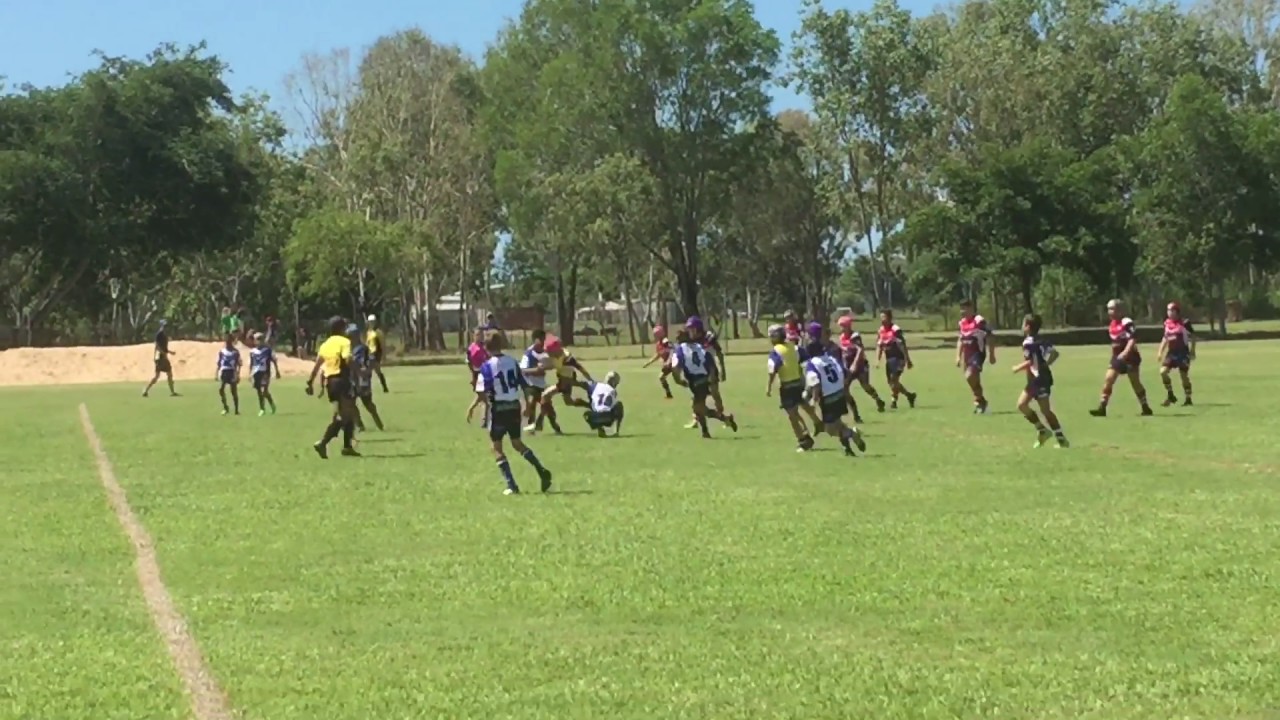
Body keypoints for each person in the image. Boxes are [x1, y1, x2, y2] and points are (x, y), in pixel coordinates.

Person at [479, 331, 553, 495]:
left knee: (496, 447)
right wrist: (527, 405)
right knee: (517, 443)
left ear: (486, 348)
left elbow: (484, 391)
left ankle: (511, 485)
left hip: (498, 409)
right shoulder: (513, 362)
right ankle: (541, 471)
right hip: (514, 406)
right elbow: (524, 385)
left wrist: (485, 411)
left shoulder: (486, 367)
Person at [306, 316, 360, 459]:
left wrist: (310, 382)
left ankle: (347, 447)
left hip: (330, 383)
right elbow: (347, 358)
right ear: (342, 328)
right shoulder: (344, 342)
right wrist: (356, 370)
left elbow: (317, 365)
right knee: (345, 415)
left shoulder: (325, 345)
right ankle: (323, 442)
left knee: (345, 415)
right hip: (342, 379)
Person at [1011, 313, 1068, 448]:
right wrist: (1046, 364)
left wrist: (1017, 368)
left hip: (1039, 380)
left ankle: (1057, 437)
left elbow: (1030, 361)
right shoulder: (1040, 340)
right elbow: (1054, 353)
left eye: (1023, 324)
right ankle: (1046, 432)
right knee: (1025, 406)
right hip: (1039, 379)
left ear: (1028, 326)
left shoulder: (1028, 342)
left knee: (1039, 409)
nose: (1022, 326)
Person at [1090, 299, 1153, 417]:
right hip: (1117, 357)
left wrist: (1125, 352)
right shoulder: (1112, 324)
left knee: (1135, 382)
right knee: (1109, 379)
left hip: (1130, 357)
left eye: (1112, 308)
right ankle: (1102, 408)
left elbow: (1133, 339)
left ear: (1119, 310)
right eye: (1108, 309)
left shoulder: (1126, 322)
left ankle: (1145, 407)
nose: (1109, 311)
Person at [669, 329, 737, 438]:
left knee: (698, 408)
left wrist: (678, 381)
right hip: (704, 378)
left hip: (695, 381)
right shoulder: (698, 346)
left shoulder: (680, 350)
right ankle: (725, 419)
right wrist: (711, 377)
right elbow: (709, 360)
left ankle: (707, 431)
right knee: (699, 408)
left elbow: (675, 368)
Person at [803, 342, 866, 457]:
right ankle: (847, 449)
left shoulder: (812, 364)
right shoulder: (830, 358)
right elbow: (843, 372)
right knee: (838, 423)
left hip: (828, 398)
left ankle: (852, 434)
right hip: (839, 393)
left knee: (830, 429)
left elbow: (815, 383)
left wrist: (813, 400)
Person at [765, 324, 815, 452]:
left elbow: (772, 370)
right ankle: (814, 426)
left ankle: (804, 440)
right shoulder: (795, 347)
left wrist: (769, 387)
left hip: (787, 387)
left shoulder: (775, 352)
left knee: (792, 416)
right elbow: (805, 361)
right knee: (798, 411)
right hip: (799, 383)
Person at [684, 316, 727, 429]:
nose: (690, 331)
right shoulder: (690, 341)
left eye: (692, 328)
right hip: (698, 373)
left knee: (715, 395)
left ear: (698, 328)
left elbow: (719, 354)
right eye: (689, 329)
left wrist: (723, 369)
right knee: (695, 398)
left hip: (711, 371)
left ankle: (723, 417)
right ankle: (696, 419)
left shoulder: (708, 338)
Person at [836, 315, 885, 416]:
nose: (841, 328)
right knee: (844, 388)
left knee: (865, 386)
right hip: (848, 367)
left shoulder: (855, 336)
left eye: (842, 326)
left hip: (861, 366)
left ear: (848, 326)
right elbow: (842, 351)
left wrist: (855, 364)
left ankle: (878, 400)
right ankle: (855, 414)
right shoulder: (841, 337)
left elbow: (860, 350)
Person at [956, 300, 996, 414]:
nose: (962, 311)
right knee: (972, 380)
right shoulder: (962, 323)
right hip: (967, 355)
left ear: (971, 309)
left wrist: (992, 354)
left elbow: (990, 337)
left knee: (970, 376)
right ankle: (980, 401)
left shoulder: (979, 321)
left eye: (965, 308)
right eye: (961, 308)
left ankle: (979, 400)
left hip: (977, 354)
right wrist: (958, 356)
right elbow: (960, 339)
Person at [875, 309, 918, 409]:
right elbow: (879, 345)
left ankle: (894, 401)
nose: (882, 320)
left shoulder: (895, 329)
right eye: (881, 317)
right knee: (891, 382)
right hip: (889, 359)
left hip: (899, 358)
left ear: (889, 318)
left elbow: (902, 345)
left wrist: (907, 359)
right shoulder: (881, 330)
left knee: (894, 380)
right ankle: (909, 395)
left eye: (884, 317)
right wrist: (878, 359)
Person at [1156, 302, 1196, 407]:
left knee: (1183, 376)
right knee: (1163, 372)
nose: (1169, 313)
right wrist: (1160, 351)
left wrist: (1193, 350)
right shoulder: (1167, 323)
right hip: (1171, 353)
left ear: (1176, 311)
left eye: (1171, 310)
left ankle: (1188, 398)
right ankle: (1170, 395)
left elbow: (1193, 336)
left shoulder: (1184, 323)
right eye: (1168, 310)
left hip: (1183, 352)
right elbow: (1165, 338)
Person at [543, 337, 594, 414]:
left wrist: (590, 379)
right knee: (568, 402)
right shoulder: (553, 356)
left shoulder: (567, 358)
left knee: (546, 395)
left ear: (556, 349)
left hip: (565, 381)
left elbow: (579, 367)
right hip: (562, 379)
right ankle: (588, 404)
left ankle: (548, 418)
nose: (548, 353)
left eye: (549, 351)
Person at [348, 324, 385, 431]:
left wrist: (366, 372)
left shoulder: (362, 349)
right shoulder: (351, 349)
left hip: (361, 380)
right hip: (353, 380)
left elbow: (371, 361)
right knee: (351, 403)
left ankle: (378, 424)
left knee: (367, 403)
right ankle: (360, 425)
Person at [520, 330, 554, 433]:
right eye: (542, 340)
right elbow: (523, 370)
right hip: (530, 384)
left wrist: (546, 367)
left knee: (548, 408)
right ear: (535, 340)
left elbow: (551, 364)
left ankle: (555, 426)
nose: (544, 342)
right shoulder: (529, 353)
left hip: (542, 384)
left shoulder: (546, 352)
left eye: (544, 340)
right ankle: (531, 428)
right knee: (531, 404)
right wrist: (536, 370)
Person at [142, 319, 179, 397]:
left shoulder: (165, 335)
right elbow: (157, 346)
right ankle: (146, 390)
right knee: (158, 376)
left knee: (168, 374)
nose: (166, 327)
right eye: (165, 326)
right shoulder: (159, 334)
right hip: (160, 358)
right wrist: (163, 353)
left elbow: (164, 348)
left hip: (163, 357)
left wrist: (169, 352)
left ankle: (172, 392)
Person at [248, 331, 280, 416]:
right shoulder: (252, 352)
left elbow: (274, 360)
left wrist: (277, 371)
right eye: (256, 339)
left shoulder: (267, 350)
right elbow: (251, 363)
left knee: (263, 390)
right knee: (259, 391)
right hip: (256, 373)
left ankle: (268, 407)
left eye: (260, 339)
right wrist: (250, 374)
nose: (258, 341)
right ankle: (263, 408)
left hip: (265, 372)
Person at [584, 371, 625, 437]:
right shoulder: (613, 391)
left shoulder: (595, 386)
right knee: (619, 405)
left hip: (594, 419)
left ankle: (600, 429)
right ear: (613, 382)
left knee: (591, 406)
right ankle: (616, 432)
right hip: (608, 419)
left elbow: (586, 386)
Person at [641, 325, 676, 399]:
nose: (655, 335)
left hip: (674, 362)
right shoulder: (658, 344)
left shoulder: (666, 341)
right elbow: (657, 355)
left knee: (680, 379)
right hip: (668, 364)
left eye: (656, 334)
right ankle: (668, 394)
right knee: (662, 377)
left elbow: (672, 351)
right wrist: (648, 363)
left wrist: (669, 361)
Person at [465, 329, 490, 427]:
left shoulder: (484, 346)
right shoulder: (471, 348)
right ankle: (484, 421)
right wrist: (473, 376)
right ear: (474, 336)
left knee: (482, 398)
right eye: (478, 335)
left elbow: (488, 358)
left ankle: (483, 420)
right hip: (477, 374)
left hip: (485, 374)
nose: (480, 337)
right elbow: (469, 362)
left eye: (481, 335)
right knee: (485, 399)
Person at [214, 333, 242, 416]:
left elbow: (238, 363)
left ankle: (236, 409)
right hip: (224, 371)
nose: (227, 342)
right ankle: (225, 407)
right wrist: (216, 373)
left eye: (229, 340)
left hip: (231, 371)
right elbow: (219, 363)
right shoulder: (222, 351)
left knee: (233, 391)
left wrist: (237, 374)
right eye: (226, 340)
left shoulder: (235, 352)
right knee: (221, 389)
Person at [364, 314, 390, 393]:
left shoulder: (378, 332)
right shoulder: (368, 332)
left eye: (373, 322)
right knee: (377, 371)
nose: (371, 323)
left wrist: (384, 355)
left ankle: (368, 389)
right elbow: (367, 343)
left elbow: (382, 344)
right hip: (369, 354)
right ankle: (385, 388)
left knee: (369, 371)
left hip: (375, 354)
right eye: (370, 322)